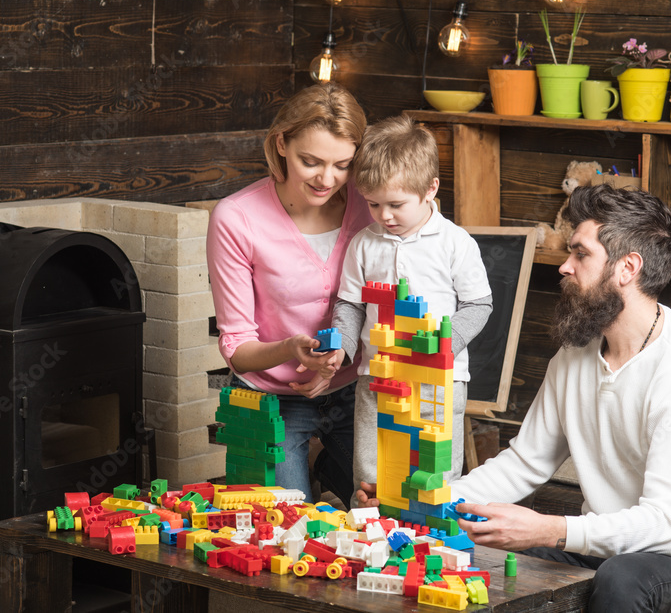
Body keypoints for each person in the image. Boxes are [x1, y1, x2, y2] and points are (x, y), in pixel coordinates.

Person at [446, 184, 671, 612]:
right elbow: (525, 462)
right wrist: (430, 503)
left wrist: (549, 530)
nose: (564, 267)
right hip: (605, 545)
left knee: (623, 579)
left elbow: (667, 526)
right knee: (477, 554)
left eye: (581, 254)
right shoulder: (575, 354)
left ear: (627, 268)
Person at [206, 83, 372, 506]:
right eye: (310, 162)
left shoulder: (369, 206)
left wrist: (339, 362)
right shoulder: (236, 218)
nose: (326, 179)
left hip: (355, 388)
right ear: (281, 144)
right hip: (274, 397)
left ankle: (327, 473)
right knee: (286, 520)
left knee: (379, 513)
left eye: (342, 165)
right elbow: (237, 347)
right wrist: (290, 349)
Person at [324, 115, 493, 506]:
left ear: (430, 189)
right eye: (373, 204)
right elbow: (350, 302)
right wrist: (344, 346)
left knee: (434, 471)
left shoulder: (455, 242)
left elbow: (478, 303)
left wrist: (445, 344)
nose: (384, 216)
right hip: (377, 375)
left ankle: (430, 533)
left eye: (396, 205)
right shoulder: (364, 244)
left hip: (439, 380)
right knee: (372, 468)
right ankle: (372, 531)